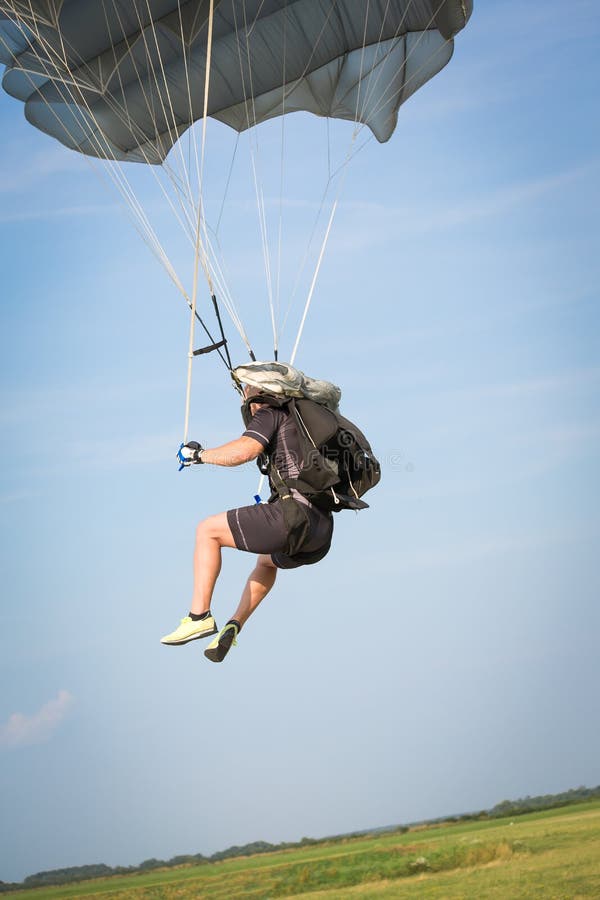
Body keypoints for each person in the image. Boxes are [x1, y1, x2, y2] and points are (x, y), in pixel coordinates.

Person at [161, 387, 334, 662]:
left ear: (258, 392)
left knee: (207, 531)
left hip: (292, 516)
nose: (243, 396)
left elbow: (245, 451)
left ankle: (199, 616)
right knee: (266, 563)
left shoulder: (270, 412)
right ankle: (235, 624)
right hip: (321, 532)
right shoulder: (302, 419)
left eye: (244, 389)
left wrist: (198, 455)